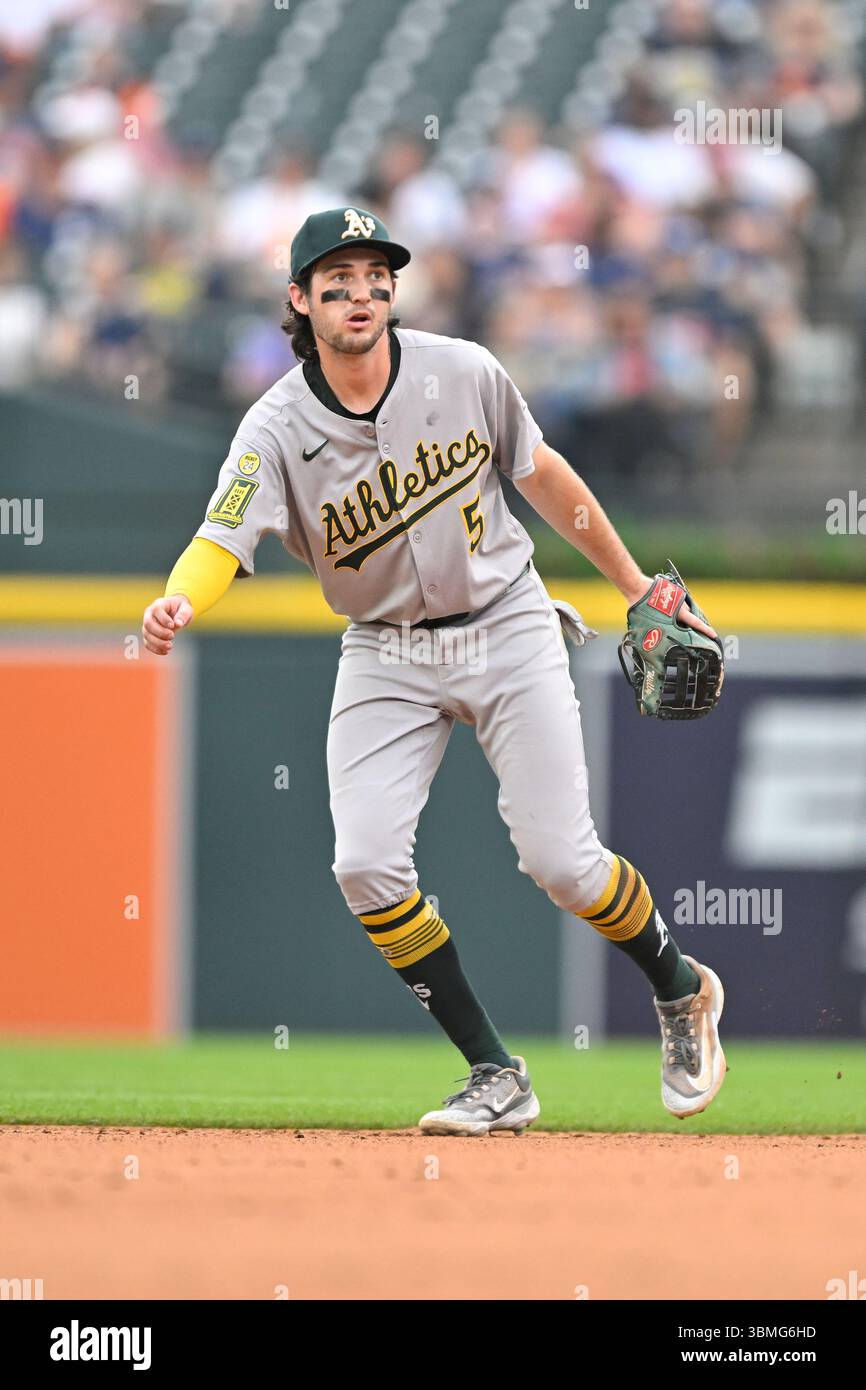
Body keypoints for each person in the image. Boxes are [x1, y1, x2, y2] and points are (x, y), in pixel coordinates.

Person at [141, 206, 726, 1136]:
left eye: (376, 276)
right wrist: (181, 598)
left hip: (507, 623)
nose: (361, 292)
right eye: (337, 281)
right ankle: (496, 1071)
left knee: (563, 864)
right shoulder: (273, 428)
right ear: (301, 301)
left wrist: (635, 583)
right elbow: (222, 536)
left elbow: (545, 478)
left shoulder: (464, 371)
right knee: (366, 864)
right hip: (385, 649)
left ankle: (682, 988)